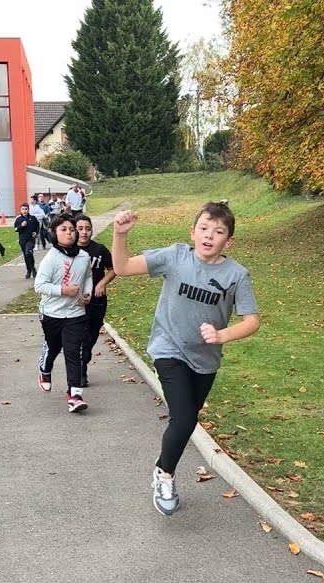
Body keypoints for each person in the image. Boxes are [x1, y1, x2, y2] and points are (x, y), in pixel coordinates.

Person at [110, 203, 260, 516]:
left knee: (188, 418)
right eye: (204, 228)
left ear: (228, 241)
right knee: (185, 419)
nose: (209, 236)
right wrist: (119, 235)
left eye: (219, 232)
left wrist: (221, 336)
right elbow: (122, 268)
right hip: (169, 349)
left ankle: (163, 463)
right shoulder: (175, 257)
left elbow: (251, 320)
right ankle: (164, 475)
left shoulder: (236, 275)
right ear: (192, 232)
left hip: (205, 360)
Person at [33, 214, 92, 413]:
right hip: (52, 313)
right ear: (54, 234)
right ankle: (45, 370)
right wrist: (62, 290)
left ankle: (74, 394)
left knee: (73, 351)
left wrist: (87, 293)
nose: (69, 233)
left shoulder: (84, 257)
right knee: (53, 346)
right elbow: (39, 285)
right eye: (63, 230)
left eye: (72, 229)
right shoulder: (51, 258)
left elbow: (88, 276)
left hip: (75, 313)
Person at [75, 214, 114, 387]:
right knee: (80, 337)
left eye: (87, 229)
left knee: (90, 337)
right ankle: (80, 373)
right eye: (80, 229)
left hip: (97, 300)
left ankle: (84, 361)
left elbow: (114, 269)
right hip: (75, 302)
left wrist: (102, 283)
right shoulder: (68, 250)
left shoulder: (99, 250)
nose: (84, 233)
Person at [13, 202, 40, 279]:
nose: (24, 211)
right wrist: (21, 226)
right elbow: (15, 229)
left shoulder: (32, 218)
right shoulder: (19, 219)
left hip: (30, 239)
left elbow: (37, 226)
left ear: (28, 210)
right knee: (25, 255)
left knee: (28, 253)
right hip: (22, 240)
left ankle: (33, 269)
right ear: (20, 210)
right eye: (23, 209)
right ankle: (29, 270)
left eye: (26, 209)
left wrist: (36, 233)